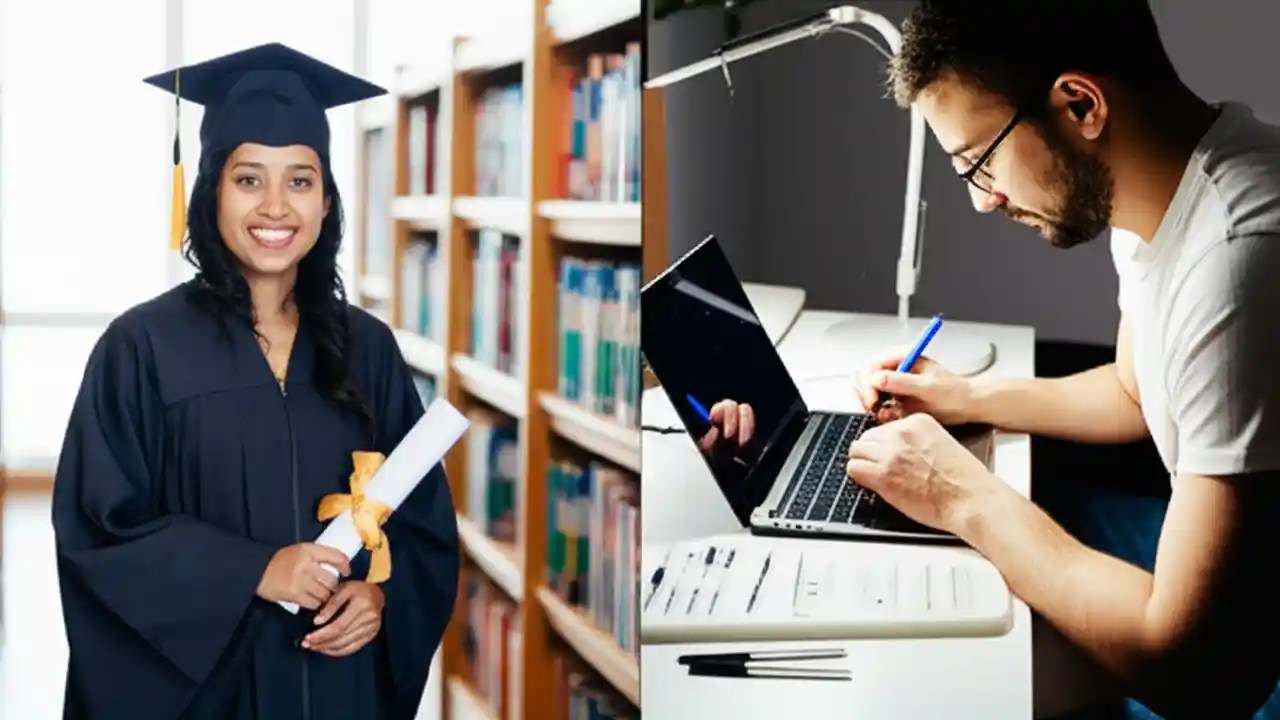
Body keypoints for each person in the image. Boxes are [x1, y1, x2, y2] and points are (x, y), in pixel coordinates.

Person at [843, 1, 1280, 718]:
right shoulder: (1164, 199)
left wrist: (960, 494)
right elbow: (1134, 393)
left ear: (1080, 104)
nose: (984, 202)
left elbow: (1199, 672)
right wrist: (969, 399)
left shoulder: (1239, 260)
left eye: (977, 163)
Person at [50, 43, 460, 720]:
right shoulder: (141, 348)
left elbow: (423, 528)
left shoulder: (369, 349)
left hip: (337, 688)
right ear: (211, 190)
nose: (276, 207)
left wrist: (379, 597)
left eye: (299, 181)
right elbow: (97, 534)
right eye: (248, 180)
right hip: (208, 698)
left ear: (326, 201)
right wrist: (252, 570)